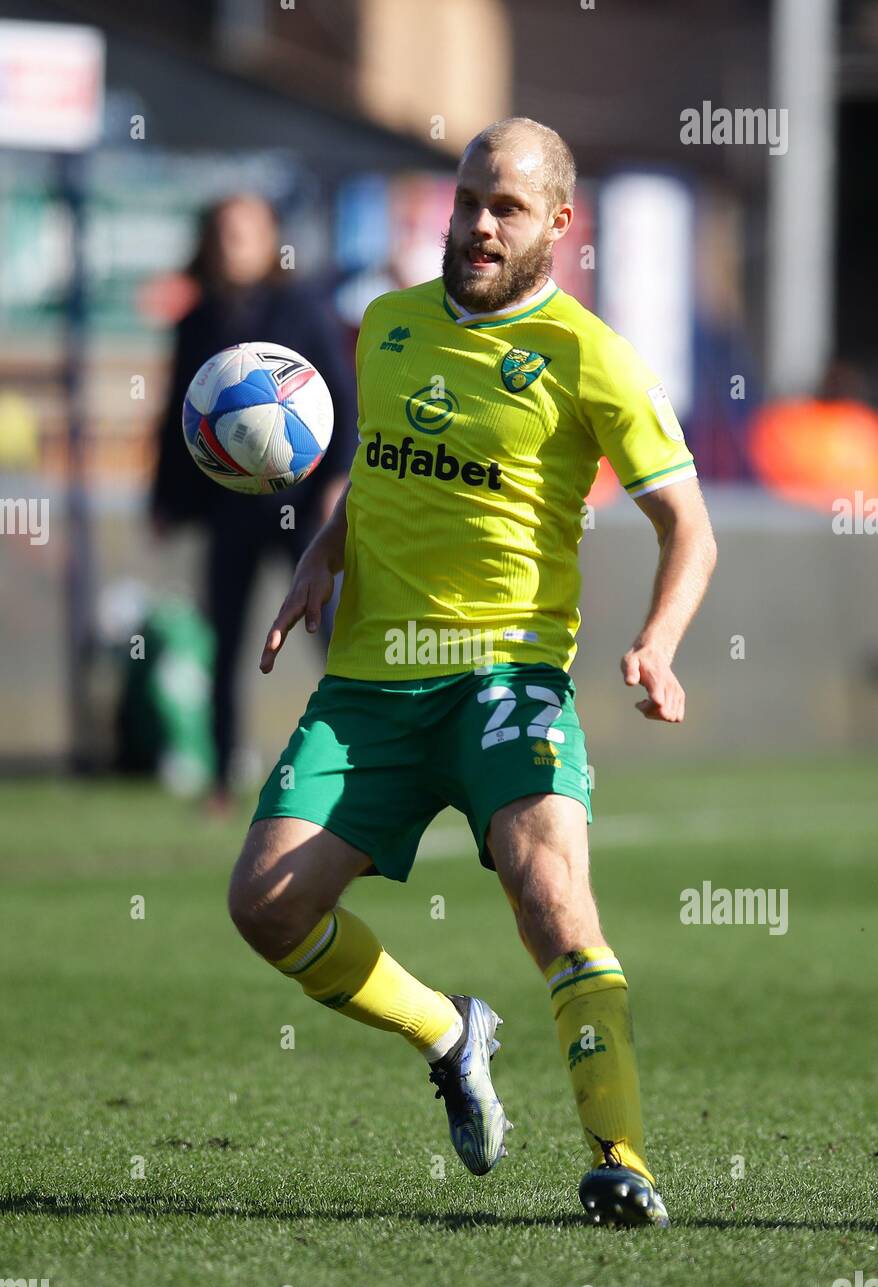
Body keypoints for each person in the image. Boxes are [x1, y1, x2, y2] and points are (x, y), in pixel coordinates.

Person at [227, 120, 717, 1227]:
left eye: (504, 207)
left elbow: (687, 525)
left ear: (557, 222)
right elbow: (374, 468)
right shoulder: (387, 328)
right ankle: (449, 1033)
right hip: (371, 685)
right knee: (263, 905)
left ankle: (622, 1159)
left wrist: (657, 640)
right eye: (465, 202)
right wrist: (319, 554)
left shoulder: (592, 356)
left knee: (550, 897)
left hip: (508, 675)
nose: (478, 225)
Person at [151, 195, 356, 809]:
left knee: (334, 634)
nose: (232, 244)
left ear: (271, 241)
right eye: (222, 233)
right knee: (225, 638)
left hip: (306, 514)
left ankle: (363, 762)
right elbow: (178, 419)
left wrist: (337, 481)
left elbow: (341, 400)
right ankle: (221, 778)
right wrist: (165, 498)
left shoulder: (303, 309)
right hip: (231, 511)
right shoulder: (199, 320)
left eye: (246, 232)